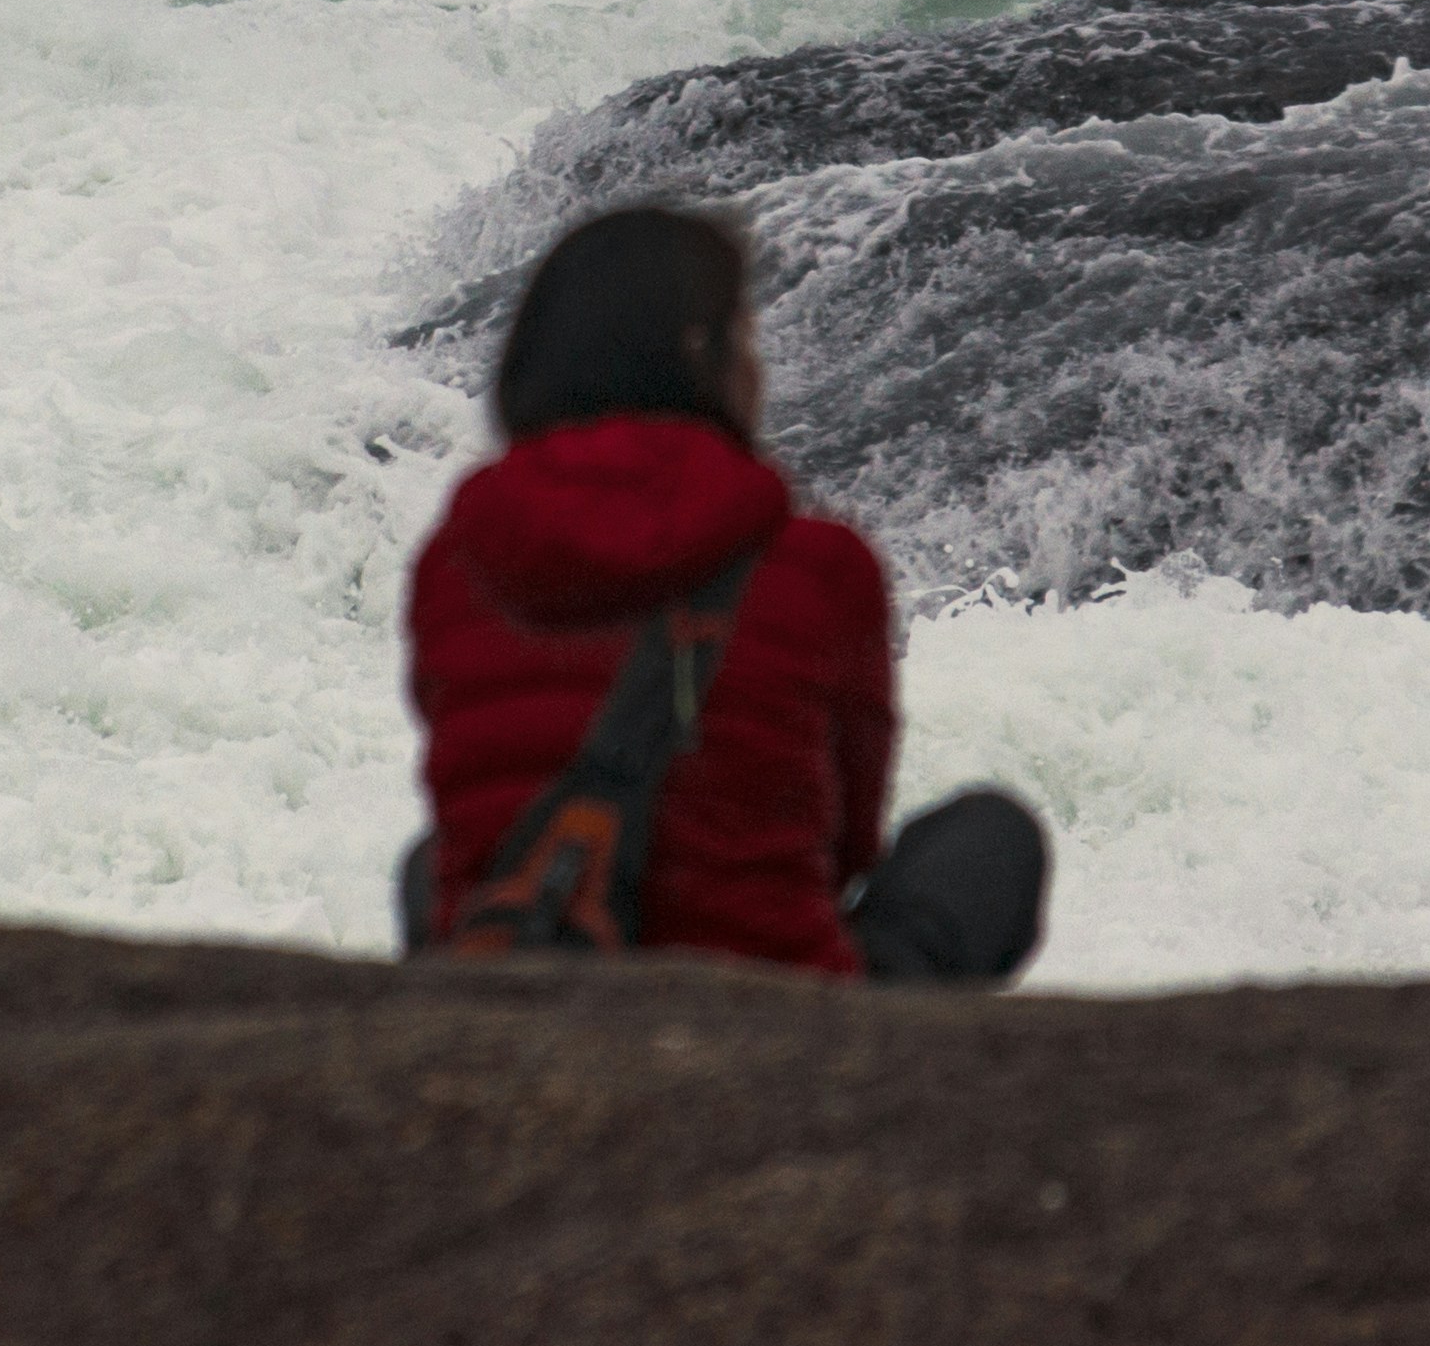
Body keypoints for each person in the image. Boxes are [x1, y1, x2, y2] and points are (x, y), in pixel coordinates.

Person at [399, 204, 1048, 982]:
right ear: (701, 355)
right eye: (746, 336)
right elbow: (842, 851)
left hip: (522, 964)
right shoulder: (819, 564)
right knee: (991, 837)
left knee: (432, 860)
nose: (757, 367)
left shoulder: (456, 558)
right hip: (772, 997)